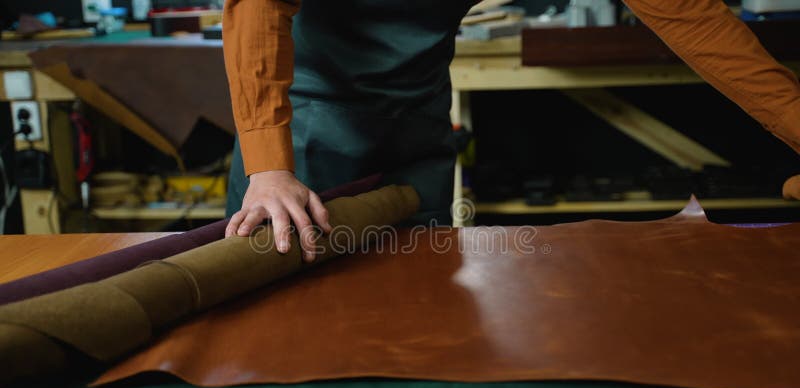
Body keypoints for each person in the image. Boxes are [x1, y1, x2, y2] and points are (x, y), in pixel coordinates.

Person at [222, 0, 800, 261]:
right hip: (299, 134)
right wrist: (270, 165)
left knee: (411, 317)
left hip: (417, 121)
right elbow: (256, 5)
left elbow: (697, 22)